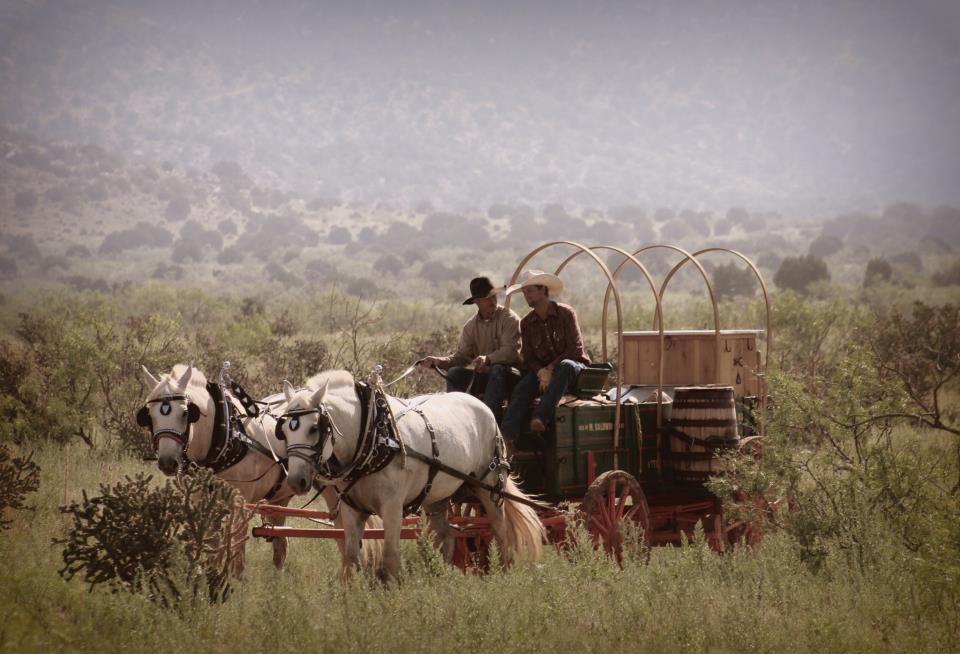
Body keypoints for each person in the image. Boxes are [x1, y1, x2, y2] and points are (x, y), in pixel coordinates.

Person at [500, 269, 591, 441]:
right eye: (525, 292)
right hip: (544, 374)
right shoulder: (527, 323)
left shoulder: (565, 313)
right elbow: (529, 356)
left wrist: (550, 368)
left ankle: (540, 417)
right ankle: (507, 436)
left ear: (543, 290)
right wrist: (541, 372)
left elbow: (575, 349)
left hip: (574, 371)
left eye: (530, 291)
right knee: (523, 387)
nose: (527, 296)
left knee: (566, 366)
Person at [419, 276, 521, 421]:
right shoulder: (470, 327)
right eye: (487, 298)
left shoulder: (509, 318)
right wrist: (438, 361)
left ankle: (490, 422)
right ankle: (456, 420)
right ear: (476, 302)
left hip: (511, 376)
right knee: (455, 373)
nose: (492, 301)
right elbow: (461, 357)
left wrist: (488, 359)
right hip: (485, 377)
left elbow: (510, 352)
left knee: (497, 369)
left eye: (493, 296)